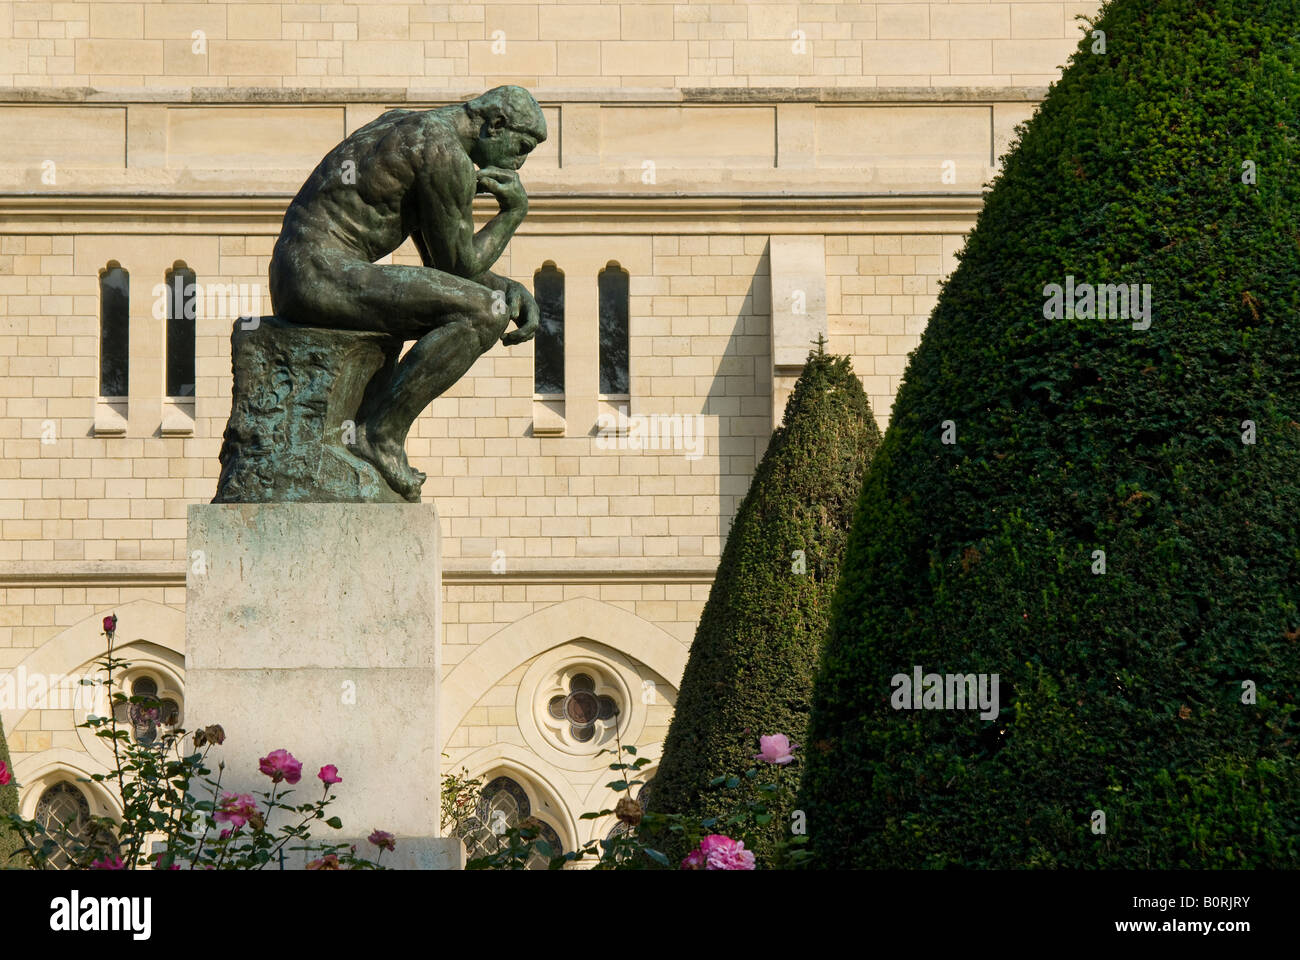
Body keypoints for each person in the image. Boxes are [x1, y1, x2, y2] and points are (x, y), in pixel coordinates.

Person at [268, 85, 547, 500]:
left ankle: (375, 431)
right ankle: (380, 434)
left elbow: (442, 265)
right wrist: (513, 213)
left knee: (485, 302)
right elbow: (459, 266)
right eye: (521, 146)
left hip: (300, 270)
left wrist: (506, 286)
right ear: (496, 125)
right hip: (320, 274)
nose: (520, 162)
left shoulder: (409, 124)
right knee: (483, 314)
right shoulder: (444, 151)